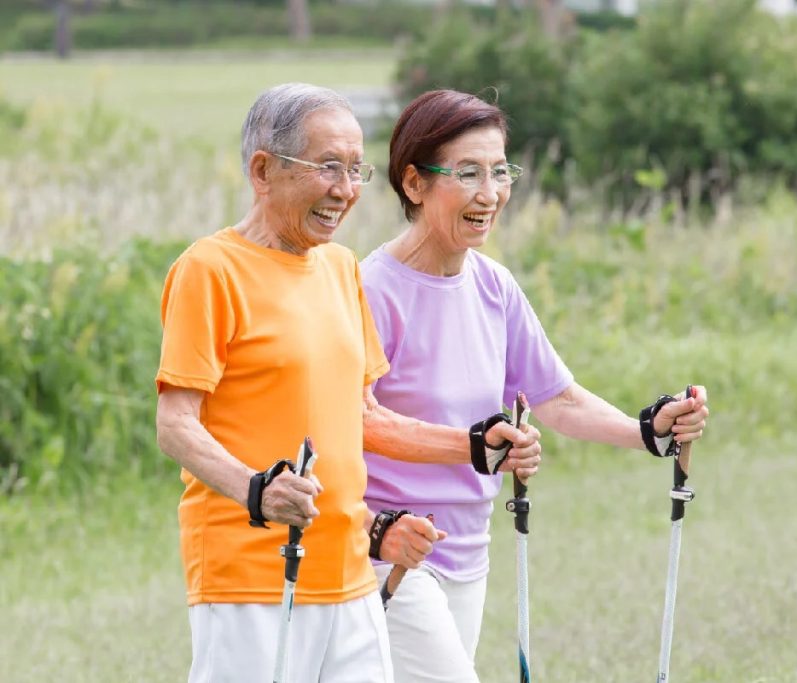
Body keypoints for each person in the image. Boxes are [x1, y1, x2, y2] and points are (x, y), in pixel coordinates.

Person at [154, 83, 541, 683]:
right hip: (251, 575)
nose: (346, 189)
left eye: (356, 169)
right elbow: (177, 424)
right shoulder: (211, 270)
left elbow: (363, 418)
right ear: (263, 170)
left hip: (351, 574)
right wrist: (257, 489)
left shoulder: (339, 269)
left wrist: (472, 445)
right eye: (328, 167)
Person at [359, 89, 711, 683]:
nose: (489, 194)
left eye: (500, 172)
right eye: (467, 173)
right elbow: (354, 419)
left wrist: (646, 431)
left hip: (469, 548)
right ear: (414, 184)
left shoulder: (494, 286)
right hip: (389, 549)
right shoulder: (373, 289)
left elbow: (557, 397)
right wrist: (470, 446)